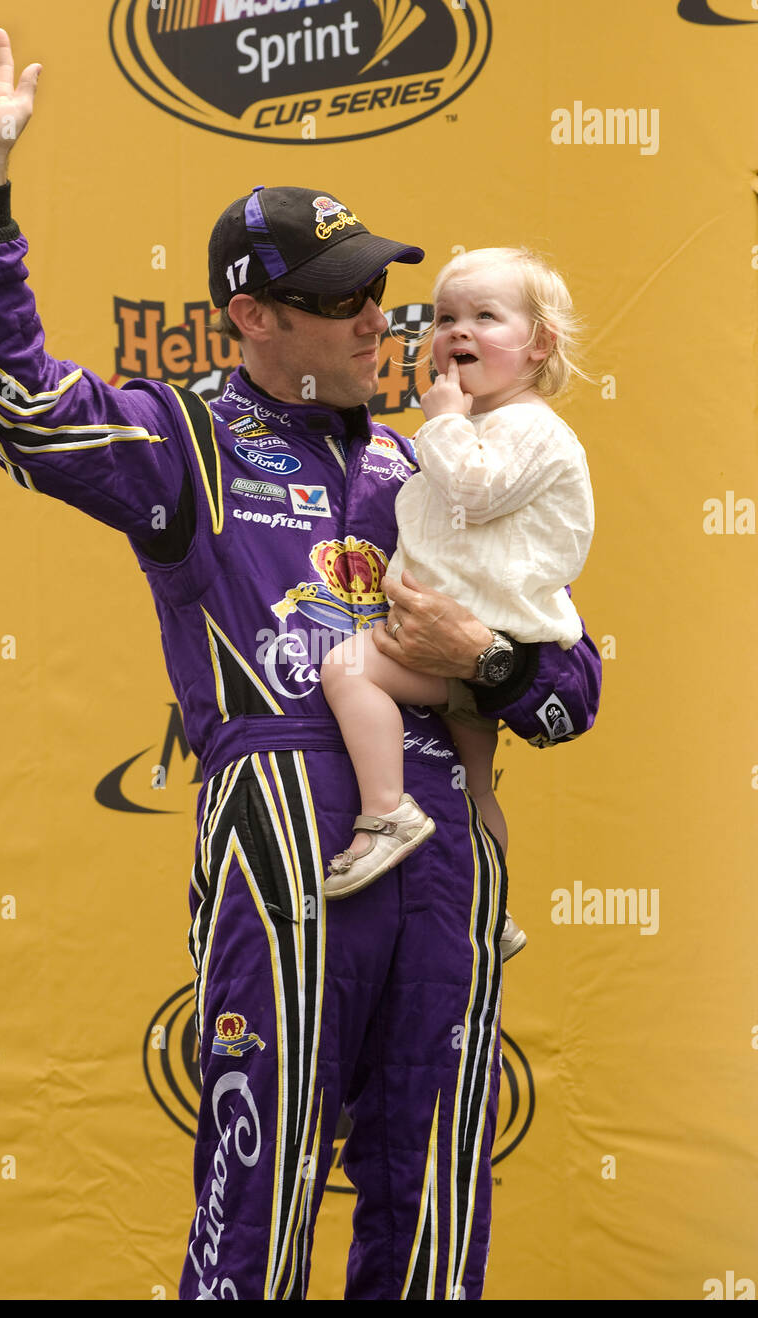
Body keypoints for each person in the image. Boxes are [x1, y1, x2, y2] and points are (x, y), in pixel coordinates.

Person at [0, 25, 601, 1300]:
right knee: (266, 1178)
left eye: (383, 290)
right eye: (345, 296)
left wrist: (493, 672)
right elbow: (10, 402)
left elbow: (567, 691)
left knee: (435, 1188)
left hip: (446, 843)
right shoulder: (182, 437)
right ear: (254, 315)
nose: (383, 319)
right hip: (285, 825)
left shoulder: (431, 465)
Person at [319, 248, 595, 968]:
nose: (456, 331)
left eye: (483, 317)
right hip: (473, 645)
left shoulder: (528, 427)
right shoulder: (484, 425)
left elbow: (472, 493)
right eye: (444, 318)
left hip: (482, 642)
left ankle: (385, 813)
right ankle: (491, 909)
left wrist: (441, 424)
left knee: (349, 669)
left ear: (540, 344)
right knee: (473, 787)